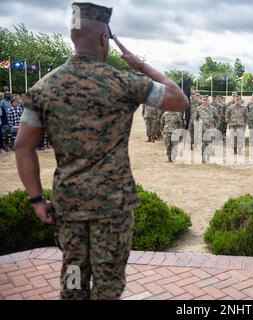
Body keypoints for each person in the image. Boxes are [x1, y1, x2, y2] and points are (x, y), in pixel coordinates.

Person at [14, 2, 188, 300]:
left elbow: (22, 146)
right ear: (105, 39)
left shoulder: (44, 87)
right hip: (113, 206)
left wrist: (36, 199)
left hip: (68, 204)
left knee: (72, 272)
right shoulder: (124, 82)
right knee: (108, 283)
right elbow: (178, 99)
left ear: (73, 37)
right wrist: (140, 64)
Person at [193, 96, 219, 163]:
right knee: (202, 144)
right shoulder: (198, 108)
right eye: (204, 100)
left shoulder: (213, 108)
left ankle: (208, 158)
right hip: (202, 130)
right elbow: (195, 118)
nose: (205, 101)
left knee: (209, 144)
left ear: (209, 101)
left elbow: (217, 118)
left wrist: (216, 127)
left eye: (206, 100)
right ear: (202, 101)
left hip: (210, 129)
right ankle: (203, 158)